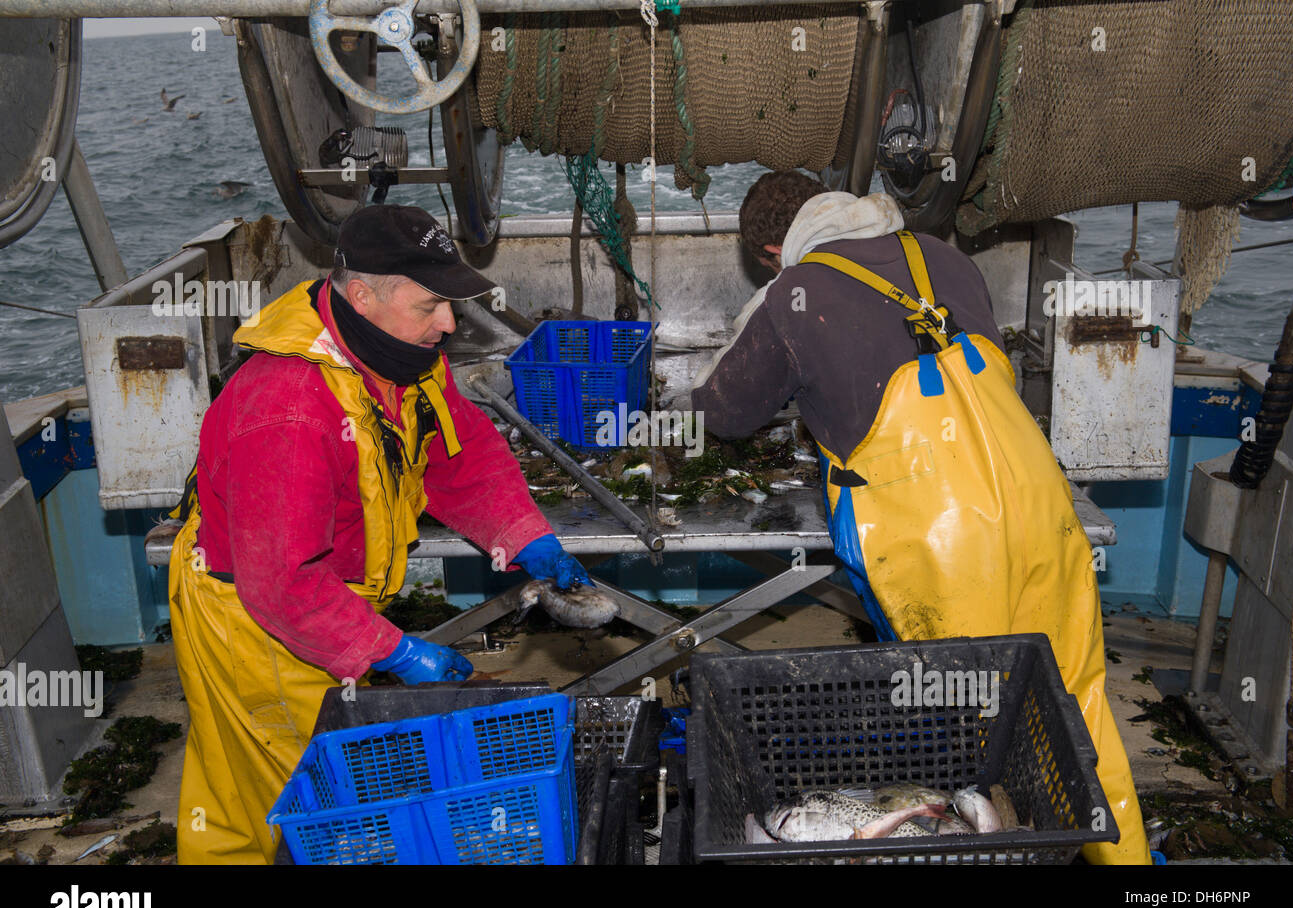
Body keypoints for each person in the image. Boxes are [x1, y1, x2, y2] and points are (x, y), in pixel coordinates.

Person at [691, 171, 1149, 865]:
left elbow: (721, 412)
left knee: (960, 737)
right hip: (1044, 512)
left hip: (945, 549)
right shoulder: (943, 256)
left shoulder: (792, 296)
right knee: (1078, 707)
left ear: (770, 250)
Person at [166, 203, 590, 864]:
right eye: (431, 306)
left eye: (449, 303)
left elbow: (459, 453)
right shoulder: (288, 407)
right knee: (284, 802)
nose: (449, 323)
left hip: (327, 602)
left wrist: (525, 536)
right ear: (362, 295)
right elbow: (281, 582)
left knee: (346, 794)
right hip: (254, 621)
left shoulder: (399, 353)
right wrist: (390, 650)